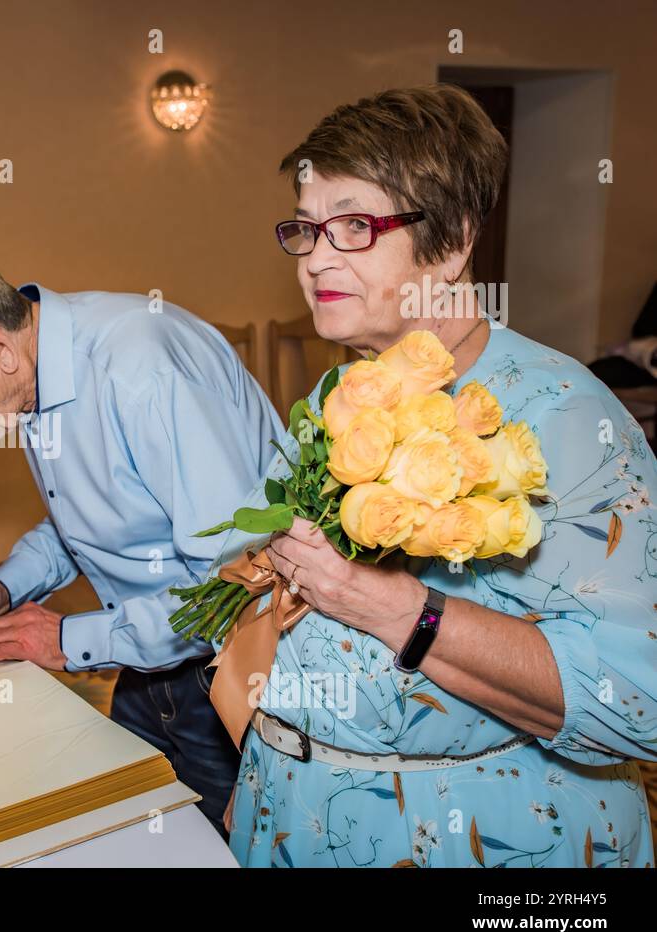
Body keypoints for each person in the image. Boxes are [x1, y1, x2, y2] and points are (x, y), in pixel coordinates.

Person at [209, 83, 656, 866]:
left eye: (353, 226)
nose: (315, 259)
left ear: (450, 246)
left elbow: (638, 697)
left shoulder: (561, 420)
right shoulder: (329, 396)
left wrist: (404, 610)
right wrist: (266, 770)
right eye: (306, 229)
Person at [0, 245, 282, 835]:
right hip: (140, 657)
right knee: (134, 839)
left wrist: (68, 639)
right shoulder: (29, 374)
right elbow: (87, 523)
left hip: (238, 683)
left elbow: (239, 583)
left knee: (216, 848)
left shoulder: (141, 371)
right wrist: (1, 588)